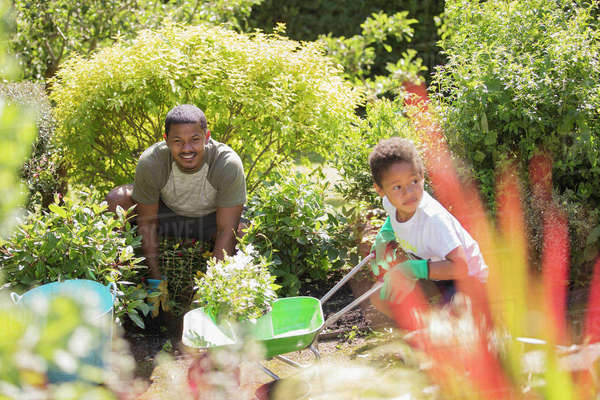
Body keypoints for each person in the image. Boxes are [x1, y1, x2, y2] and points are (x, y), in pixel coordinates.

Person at [106, 105, 246, 285]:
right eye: (178, 141)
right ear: (166, 140)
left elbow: (227, 229)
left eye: (195, 139)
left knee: (242, 230)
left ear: (207, 137)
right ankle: (121, 282)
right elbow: (147, 222)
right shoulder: (152, 161)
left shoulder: (226, 163)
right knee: (116, 201)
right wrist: (155, 280)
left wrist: (211, 287)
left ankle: (225, 289)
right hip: (169, 216)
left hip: (209, 220)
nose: (187, 148)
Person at [367, 137, 488, 320]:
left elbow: (461, 266)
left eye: (414, 181)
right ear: (381, 190)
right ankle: (421, 332)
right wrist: (385, 235)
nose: (409, 192)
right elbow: (394, 216)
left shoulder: (433, 220)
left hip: (469, 282)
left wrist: (412, 270)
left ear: (422, 176)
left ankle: (439, 335)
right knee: (379, 296)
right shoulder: (390, 204)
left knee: (446, 323)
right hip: (438, 276)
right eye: (397, 187)